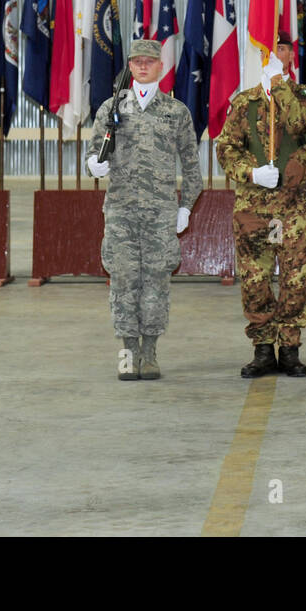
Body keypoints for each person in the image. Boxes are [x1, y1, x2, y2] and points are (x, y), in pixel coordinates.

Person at [86, 38, 200, 381]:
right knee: (122, 282)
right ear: (130, 66)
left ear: (160, 66)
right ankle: (127, 354)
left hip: (160, 214)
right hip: (121, 212)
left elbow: (192, 166)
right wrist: (94, 164)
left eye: (149, 61)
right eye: (136, 61)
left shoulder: (176, 111)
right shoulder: (111, 109)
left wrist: (186, 206)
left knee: (155, 284)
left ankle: (149, 353)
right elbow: (92, 152)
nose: (142, 66)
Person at [217, 31, 306, 378]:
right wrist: (250, 173)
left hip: (294, 208)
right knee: (255, 279)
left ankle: (289, 347)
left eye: (282, 48)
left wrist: (279, 85)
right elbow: (226, 149)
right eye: (268, 48)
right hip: (254, 208)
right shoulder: (243, 103)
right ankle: (263, 348)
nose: (276, 53)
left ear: (292, 55)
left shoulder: (305, 96)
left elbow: (299, 123)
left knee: (295, 280)